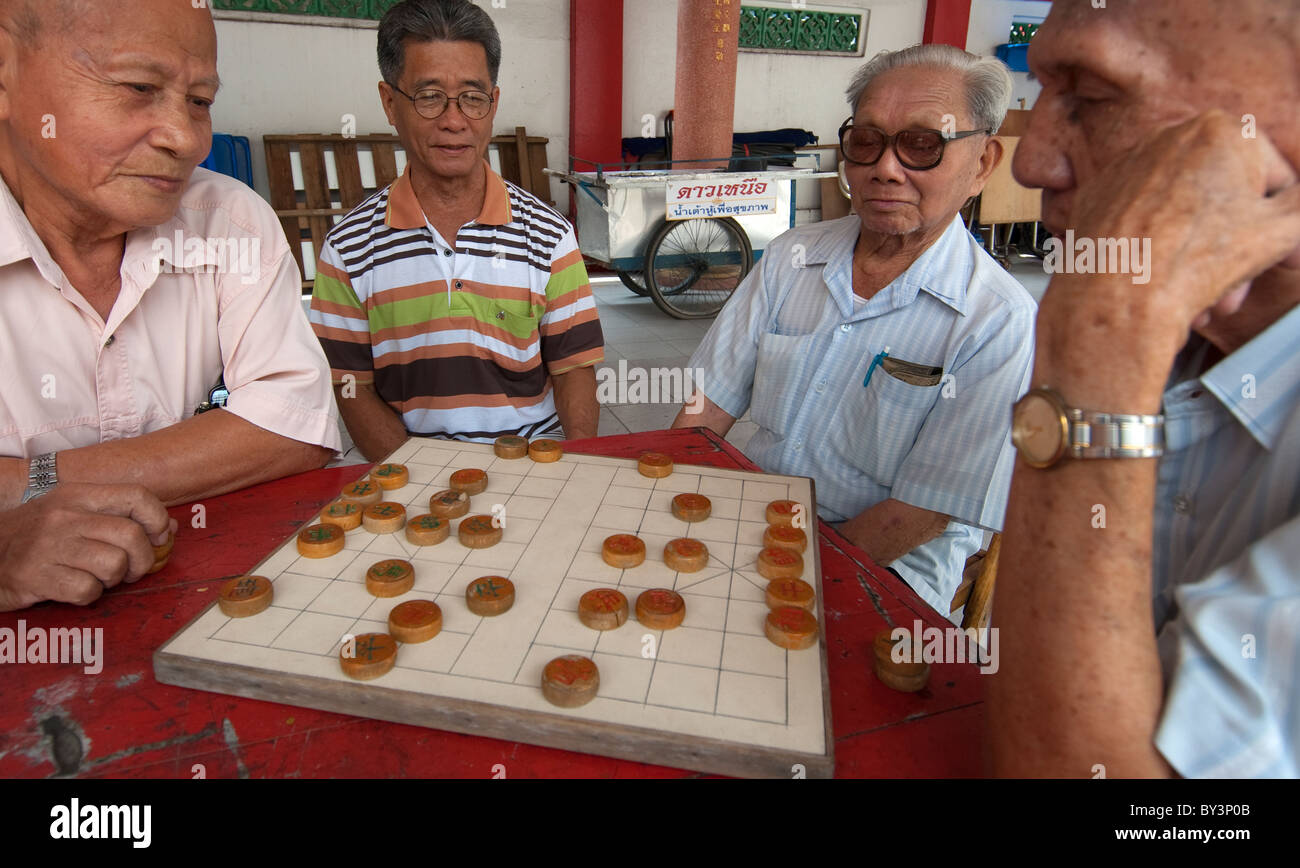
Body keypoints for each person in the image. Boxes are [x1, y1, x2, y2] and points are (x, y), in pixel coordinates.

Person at [986, 0, 1300, 777]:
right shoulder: (1189, 343)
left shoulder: (1118, 329)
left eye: (1090, 99)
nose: (1035, 162)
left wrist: (1097, 332)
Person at [673, 45, 1036, 621]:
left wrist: (773, 574)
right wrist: (674, 495)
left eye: (923, 144)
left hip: (890, 560)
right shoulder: (793, 257)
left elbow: (921, 513)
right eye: (866, 141)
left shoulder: (996, 319)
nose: (885, 168)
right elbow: (706, 405)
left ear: (984, 162)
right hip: (752, 520)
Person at [0, 0, 341, 609]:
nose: (185, 139)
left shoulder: (225, 220)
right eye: (138, 87)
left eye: (200, 101)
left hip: (185, 604)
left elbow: (293, 429)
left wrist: (29, 482)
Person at [310, 0, 603, 460]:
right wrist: (415, 480)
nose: (454, 120)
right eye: (428, 97)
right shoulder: (347, 248)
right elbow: (352, 387)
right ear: (390, 103)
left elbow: (573, 368)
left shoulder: (549, 235)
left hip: (535, 468)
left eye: (472, 96)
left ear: (494, 103)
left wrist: (578, 468)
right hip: (408, 477)